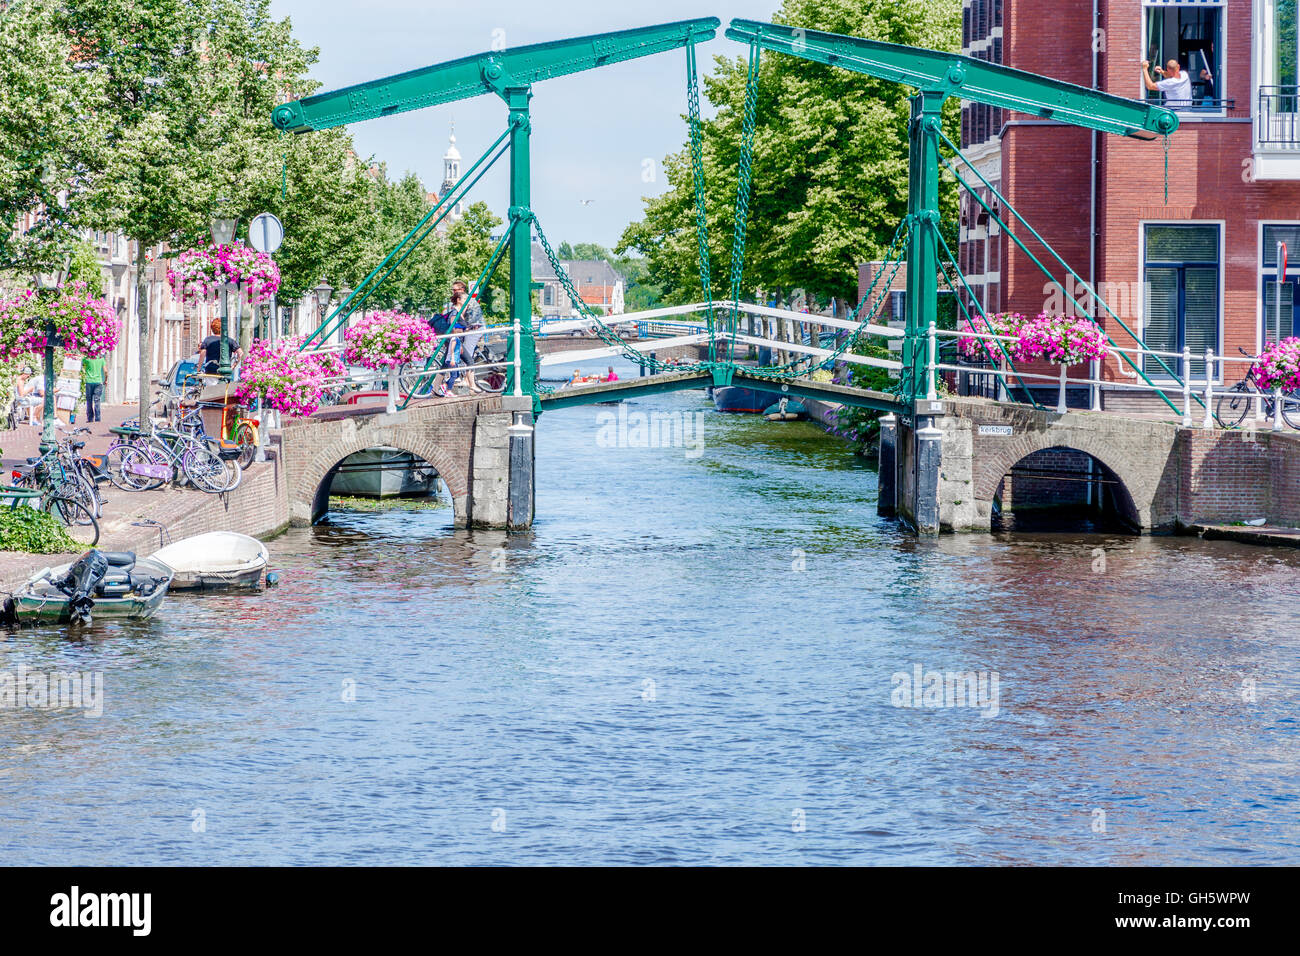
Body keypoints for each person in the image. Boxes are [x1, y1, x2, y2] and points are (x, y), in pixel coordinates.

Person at [451, 279, 486, 394]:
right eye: (452, 290)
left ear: (462, 290)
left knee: (467, 355)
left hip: (475, 328)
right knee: (466, 354)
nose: (453, 292)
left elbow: (461, 316)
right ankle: (467, 382)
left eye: (455, 290)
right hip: (473, 328)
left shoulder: (464, 299)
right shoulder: (465, 299)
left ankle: (469, 383)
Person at [81, 355, 106, 423]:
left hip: (89, 382)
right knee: (97, 400)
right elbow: (105, 371)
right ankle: (98, 419)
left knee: (89, 401)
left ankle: (90, 418)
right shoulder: (101, 359)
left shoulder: (87, 359)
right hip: (98, 382)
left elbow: (81, 365)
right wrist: (106, 380)